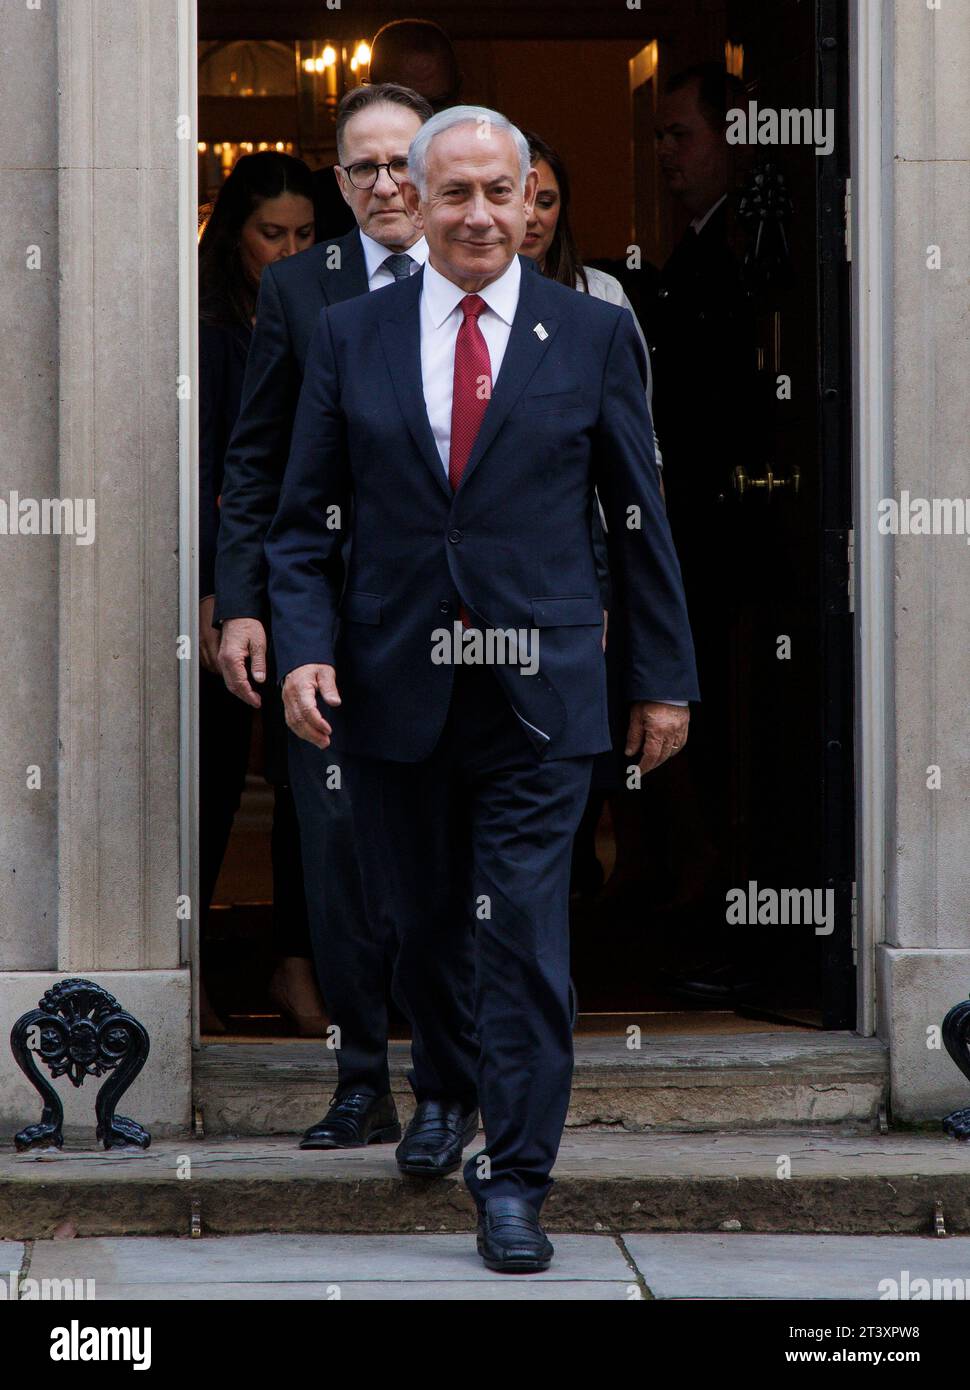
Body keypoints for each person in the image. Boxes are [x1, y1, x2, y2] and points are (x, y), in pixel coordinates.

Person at [265, 106, 698, 1272]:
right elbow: (301, 520)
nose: (477, 216)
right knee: (417, 931)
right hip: (393, 683)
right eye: (452, 193)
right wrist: (304, 644)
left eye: (498, 193)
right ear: (411, 195)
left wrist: (661, 679)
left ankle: (515, 1179)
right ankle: (443, 1093)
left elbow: (637, 520)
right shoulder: (354, 335)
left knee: (523, 937)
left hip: (542, 693)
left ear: (527, 201)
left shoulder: (586, 334)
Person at [216, 85, 482, 1168]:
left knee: (447, 855)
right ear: (338, 182)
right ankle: (359, 1077)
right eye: (361, 168)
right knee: (334, 850)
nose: (383, 184)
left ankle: (449, 1086)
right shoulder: (299, 291)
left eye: (399, 164)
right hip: (330, 614)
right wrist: (244, 605)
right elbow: (256, 461)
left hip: (463, 628)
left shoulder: (484, 274)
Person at [197, 151, 326, 1036]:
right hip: (229, 578)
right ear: (233, 237)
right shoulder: (209, 330)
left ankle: (298, 963)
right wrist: (215, 588)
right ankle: (194, 968)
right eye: (269, 235)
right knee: (206, 773)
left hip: (312, 573)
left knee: (306, 778)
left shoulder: (333, 313)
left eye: (306, 235)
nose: (287, 252)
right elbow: (216, 470)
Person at [647, 63, 762, 994]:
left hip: (742, 541)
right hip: (687, 536)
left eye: (681, 133)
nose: (667, 154)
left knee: (733, 736)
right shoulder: (688, 248)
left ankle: (742, 924)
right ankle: (700, 894)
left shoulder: (754, 245)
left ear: (735, 135)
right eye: (660, 136)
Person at [312, 18, 463, 238]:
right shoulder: (322, 204)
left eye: (437, 104)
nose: (422, 120)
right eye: (402, 101)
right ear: (369, 91)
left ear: (459, 94)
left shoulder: (490, 185)